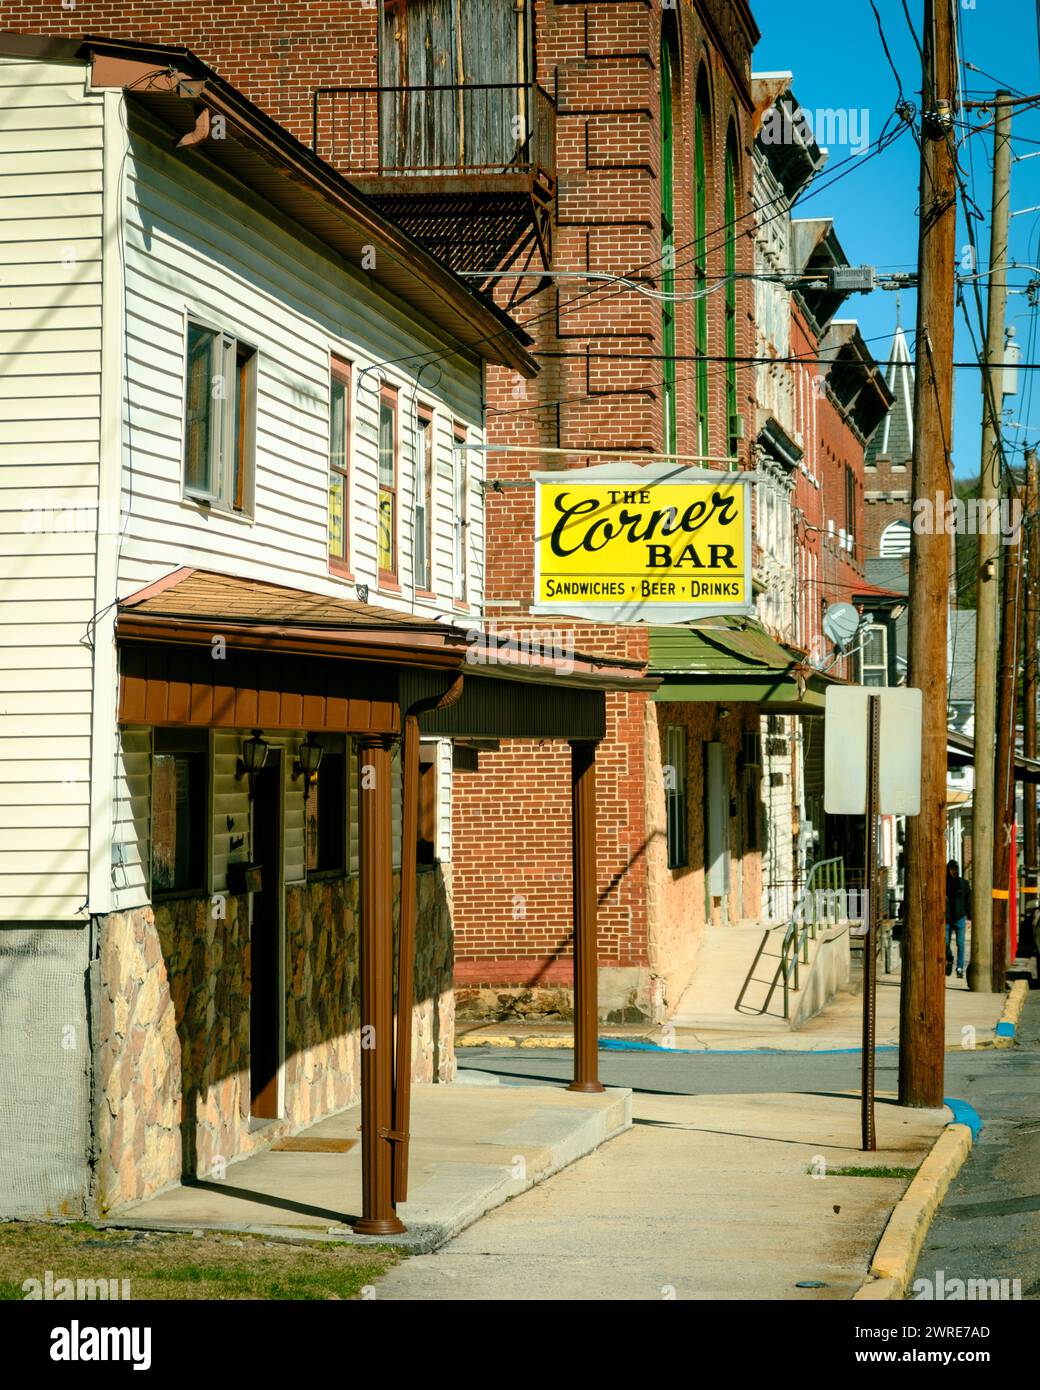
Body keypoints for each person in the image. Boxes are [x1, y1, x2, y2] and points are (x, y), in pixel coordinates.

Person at [945, 859, 971, 980]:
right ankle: (949, 959)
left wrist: (969, 917)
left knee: (960, 944)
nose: (953, 872)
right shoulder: (943, 883)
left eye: (955, 869)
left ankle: (960, 967)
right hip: (947, 918)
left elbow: (968, 901)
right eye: (951, 869)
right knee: (945, 943)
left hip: (960, 917)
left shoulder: (963, 883)